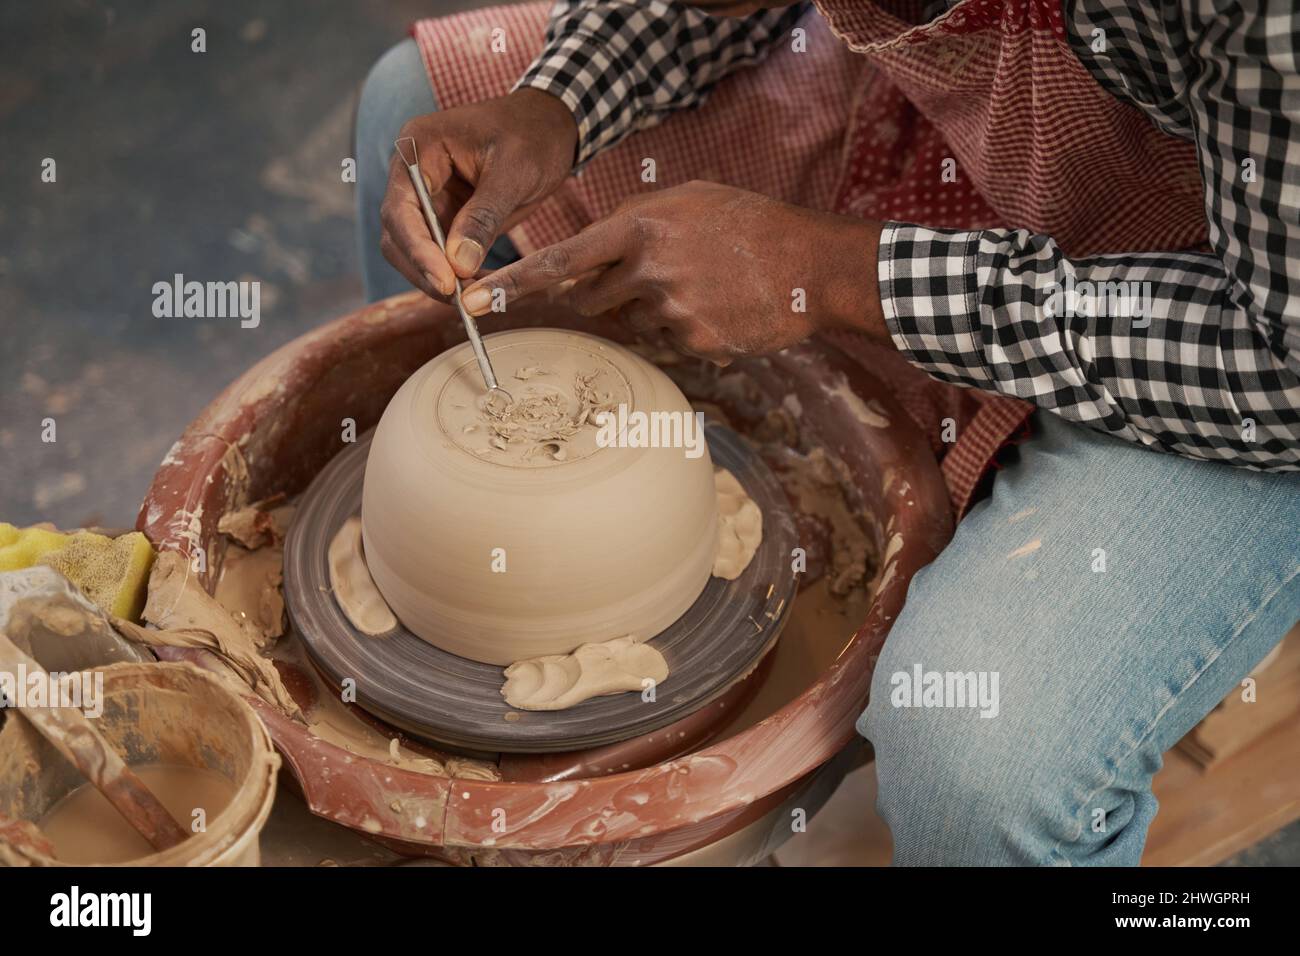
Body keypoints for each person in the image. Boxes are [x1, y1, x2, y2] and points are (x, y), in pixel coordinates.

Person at [355, 1, 1300, 865]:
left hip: (1224, 307)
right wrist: (557, 104)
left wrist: (837, 274)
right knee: (419, 96)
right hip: (952, 104)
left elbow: (1281, 367)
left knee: (978, 758)